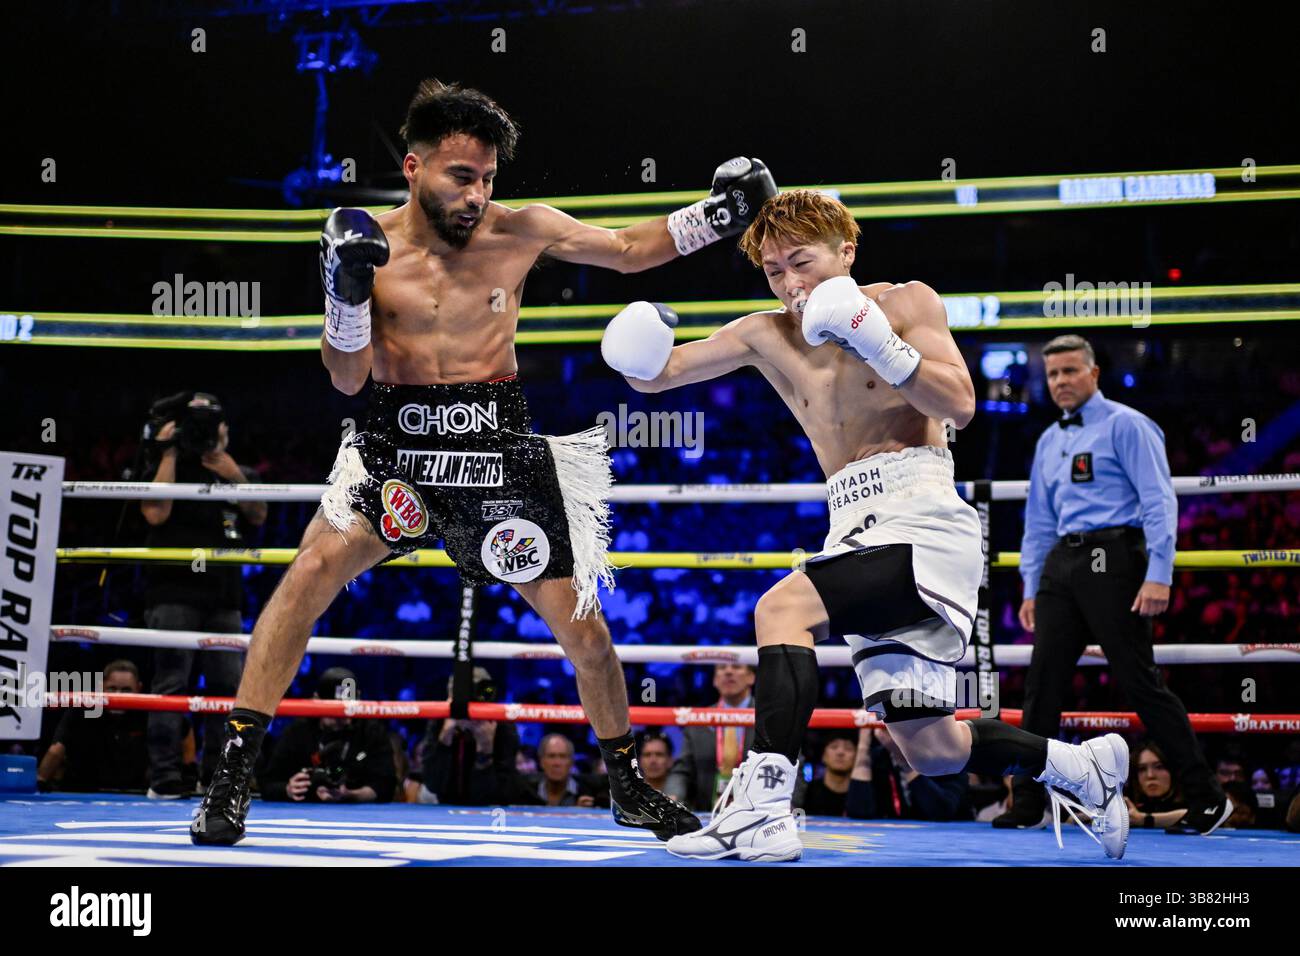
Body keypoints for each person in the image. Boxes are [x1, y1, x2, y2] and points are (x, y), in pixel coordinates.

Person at [192, 78, 777, 846]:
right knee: (303, 579)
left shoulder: (521, 228)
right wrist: (345, 292)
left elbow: (630, 251)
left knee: (585, 628)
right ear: (413, 167)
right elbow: (346, 377)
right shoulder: (370, 244)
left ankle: (628, 785)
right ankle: (234, 773)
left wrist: (717, 215)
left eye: (489, 178)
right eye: (461, 177)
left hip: (495, 447)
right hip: (394, 446)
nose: (477, 195)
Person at [603, 189, 1131, 861]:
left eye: (802, 261)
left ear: (846, 252)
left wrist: (874, 337)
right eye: (773, 271)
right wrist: (636, 352)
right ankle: (1082, 769)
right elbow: (660, 375)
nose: (791, 284)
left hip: (921, 518)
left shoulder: (907, 303)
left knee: (781, 609)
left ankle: (765, 807)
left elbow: (961, 405)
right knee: (935, 748)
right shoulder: (764, 333)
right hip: (850, 526)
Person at [1001, 334, 1231, 836]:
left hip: (1115, 558)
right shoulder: (1048, 439)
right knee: (1042, 685)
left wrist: (1159, 573)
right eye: (1052, 374)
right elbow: (1038, 520)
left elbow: (1159, 501)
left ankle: (1207, 798)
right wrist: (1029, 586)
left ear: (1093, 373)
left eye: (1069, 372)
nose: (1060, 382)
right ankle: (1027, 802)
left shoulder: (1127, 424)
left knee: (1140, 682)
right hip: (1062, 561)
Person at [141, 392, 266, 799]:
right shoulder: (167, 467)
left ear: (225, 430)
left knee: (226, 687)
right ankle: (164, 778)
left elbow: (259, 514)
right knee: (171, 686)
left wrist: (234, 475)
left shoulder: (235, 473)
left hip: (225, 597)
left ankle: (216, 777)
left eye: (214, 424)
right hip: (173, 591)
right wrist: (169, 452)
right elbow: (155, 512)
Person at [259, 668, 396, 804]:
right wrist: (287, 789)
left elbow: (387, 785)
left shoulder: (371, 731)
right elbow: (268, 783)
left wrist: (352, 795)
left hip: (358, 811)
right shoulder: (298, 731)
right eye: (333, 708)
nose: (340, 716)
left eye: (345, 709)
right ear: (316, 699)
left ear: (357, 700)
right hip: (303, 808)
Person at [37, 661, 149, 793]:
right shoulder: (83, 708)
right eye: (112, 689)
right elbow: (57, 749)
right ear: (101, 687)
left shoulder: (149, 714)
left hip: (133, 792)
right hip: (81, 791)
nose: (118, 696)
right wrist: (40, 781)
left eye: (126, 690)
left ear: (138, 688)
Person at [416, 668, 521, 805]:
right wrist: (444, 740)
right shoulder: (440, 722)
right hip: (445, 808)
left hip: (489, 811)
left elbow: (504, 793)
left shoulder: (502, 726)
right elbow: (433, 785)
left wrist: (485, 751)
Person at [665, 663, 755, 810]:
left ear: (751, 677)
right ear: (714, 680)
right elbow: (682, 770)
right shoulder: (697, 720)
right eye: (722, 668)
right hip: (708, 815)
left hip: (759, 815)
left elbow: (792, 764)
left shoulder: (768, 720)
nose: (728, 671)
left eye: (737, 667)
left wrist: (790, 805)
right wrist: (673, 796)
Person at [520, 733, 605, 807]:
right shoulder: (526, 792)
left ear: (571, 762)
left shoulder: (589, 792)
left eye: (563, 756)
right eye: (551, 756)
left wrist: (582, 814)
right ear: (541, 761)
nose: (557, 763)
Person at [1125, 741, 1187, 832]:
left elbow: (1197, 816)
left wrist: (1144, 819)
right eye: (1142, 769)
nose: (1150, 775)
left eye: (1159, 767)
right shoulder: (1128, 806)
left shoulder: (1193, 800)